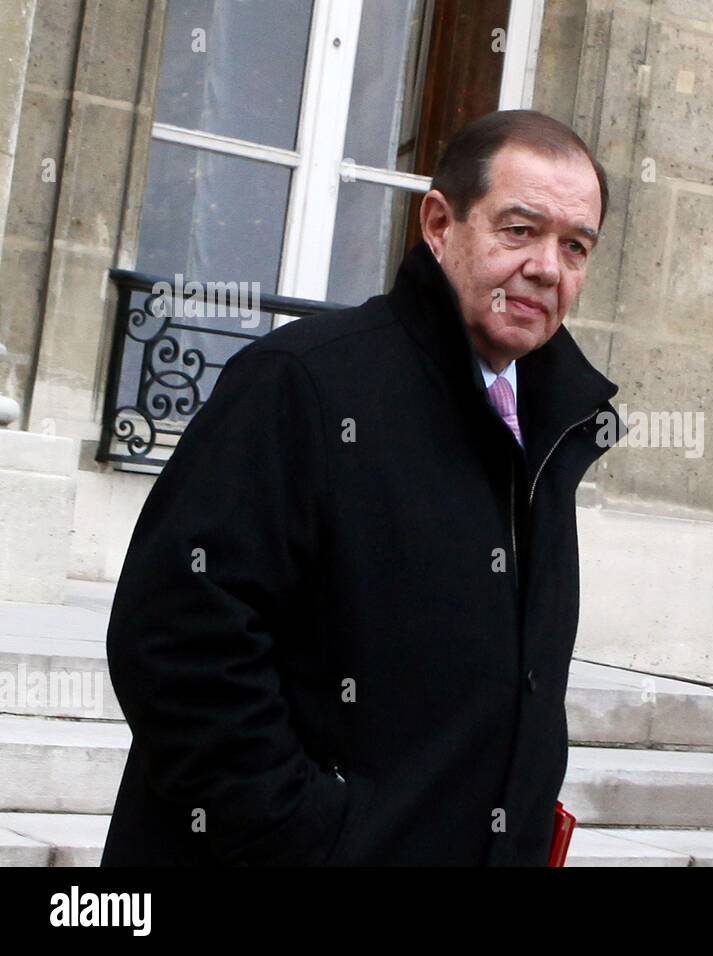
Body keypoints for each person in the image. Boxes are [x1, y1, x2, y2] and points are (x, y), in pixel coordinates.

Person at [100, 109, 624, 865]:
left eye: (575, 246)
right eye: (519, 230)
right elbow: (178, 643)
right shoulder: (302, 383)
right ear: (440, 224)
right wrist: (312, 835)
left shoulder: (549, 425)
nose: (548, 265)